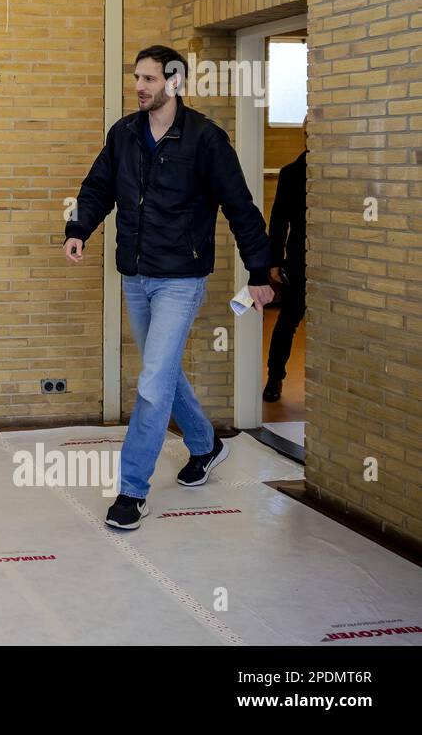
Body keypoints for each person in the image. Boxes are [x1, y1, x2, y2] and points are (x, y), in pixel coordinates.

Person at [63, 45, 274, 530]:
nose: (139, 87)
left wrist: (259, 273)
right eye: (137, 77)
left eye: (150, 79)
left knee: (152, 381)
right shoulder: (124, 135)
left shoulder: (205, 139)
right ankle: (205, 444)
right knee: (164, 371)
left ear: (174, 83)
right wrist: (78, 230)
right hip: (134, 276)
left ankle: (131, 492)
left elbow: (240, 207)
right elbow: (96, 188)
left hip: (181, 278)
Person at [264, 120, 307, 402]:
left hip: (333, 264)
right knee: (287, 321)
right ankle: (274, 378)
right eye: (307, 131)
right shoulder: (291, 173)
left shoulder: (338, 172)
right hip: (298, 261)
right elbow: (279, 221)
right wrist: (275, 261)